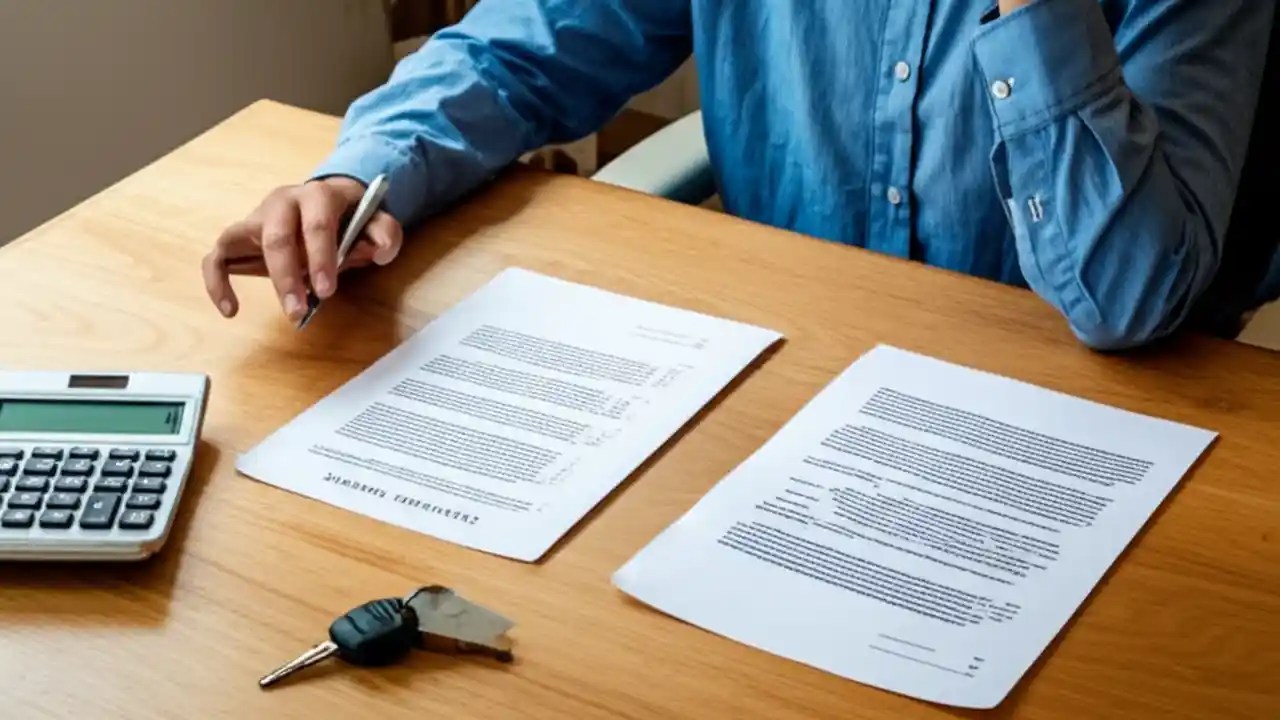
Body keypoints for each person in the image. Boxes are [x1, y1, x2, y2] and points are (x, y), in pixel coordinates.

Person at [203, 0, 1276, 350]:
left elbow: (1128, 296)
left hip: (1072, 426)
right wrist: (363, 173)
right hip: (779, 379)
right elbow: (523, 46)